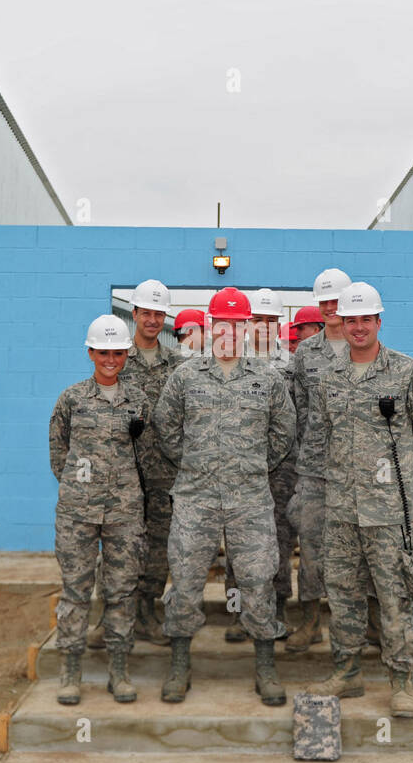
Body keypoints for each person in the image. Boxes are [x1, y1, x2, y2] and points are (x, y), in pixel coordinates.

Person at [152, 287, 296, 705]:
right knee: (185, 581)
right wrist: (195, 463)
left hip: (250, 499)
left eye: (238, 323)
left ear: (249, 327)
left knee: (257, 582)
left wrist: (251, 465)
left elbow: (283, 433)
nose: (230, 331)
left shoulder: (267, 378)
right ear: (211, 326)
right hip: (195, 498)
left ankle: (265, 669)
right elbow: (166, 427)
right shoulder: (186, 376)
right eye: (222, 324)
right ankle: (180, 665)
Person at [306, 283, 413, 718]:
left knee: (395, 595)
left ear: (379, 322)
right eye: (351, 320)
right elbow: (321, 433)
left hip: (390, 513)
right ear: (341, 324)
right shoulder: (329, 378)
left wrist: (398, 479)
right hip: (342, 509)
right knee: (343, 594)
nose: (358, 327)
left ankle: (403, 682)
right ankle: (346, 672)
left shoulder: (407, 373)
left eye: (366, 319)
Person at [47, 315, 151, 706]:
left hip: (124, 512)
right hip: (78, 513)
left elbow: (145, 453)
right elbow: (59, 452)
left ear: (126, 354)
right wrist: (79, 488)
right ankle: (70, 673)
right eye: (103, 352)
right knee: (76, 591)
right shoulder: (71, 399)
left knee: (121, 592)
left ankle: (118, 672)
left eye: (118, 353)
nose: (111, 359)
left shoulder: (138, 400)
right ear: (90, 352)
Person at [284, 267, 352, 652]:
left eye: (335, 301)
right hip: (312, 469)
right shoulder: (306, 353)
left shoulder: (366, 347)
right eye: (323, 301)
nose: (329, 308)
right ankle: (309, 621)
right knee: (310, 546)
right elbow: (297, 409)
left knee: (355, 548)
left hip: (355, 468)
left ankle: (362, 623)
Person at [116, 280, 184, 647]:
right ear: (135, 313)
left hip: (164, 472)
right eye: (147, 313)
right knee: (119, 544)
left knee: (159, 544)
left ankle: (146, 612)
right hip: (123, 472)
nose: (153, 320)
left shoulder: (178, 365)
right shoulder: (117, 357)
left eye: (160, 314)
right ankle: (114, 616)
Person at [224, 288, 292, 643]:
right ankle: (237, 611)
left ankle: (275, 608)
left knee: (277, 538)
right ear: (249, 325)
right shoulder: (233, 362)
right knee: (237, 540)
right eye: (259, 321)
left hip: (280, 469)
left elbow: (293, 420)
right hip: (239, 468)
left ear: (279, 324)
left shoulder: (291, 365)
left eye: (271, 320)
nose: (264, 326)